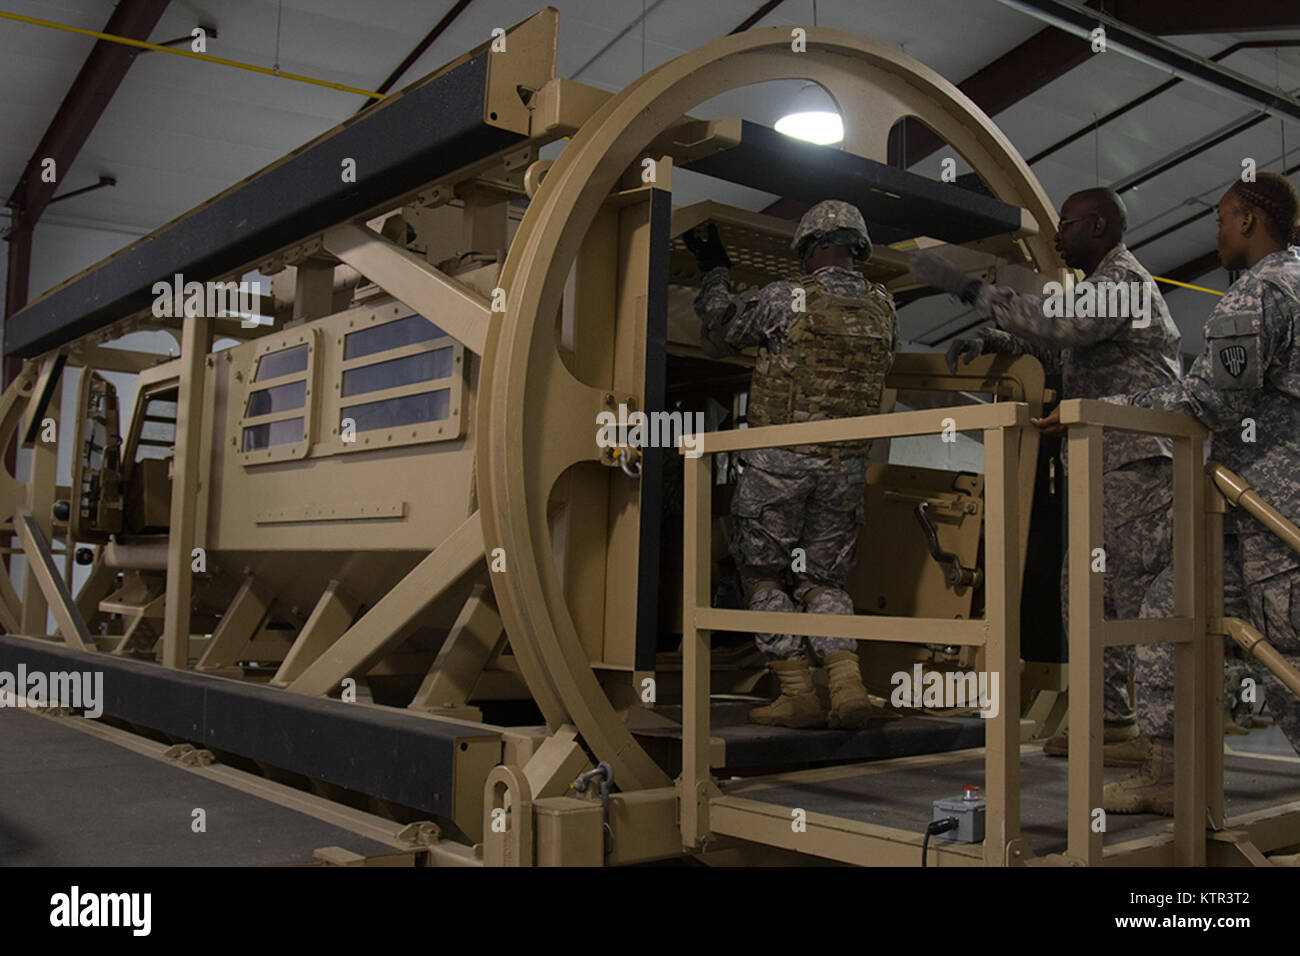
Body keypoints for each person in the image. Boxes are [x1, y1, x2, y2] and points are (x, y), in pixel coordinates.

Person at [910, 188, 1182, 766]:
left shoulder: (1123, 284)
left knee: (1131, 600)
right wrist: (994, 340)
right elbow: (1062, 356)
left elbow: (1061, 331)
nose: (1058, 235)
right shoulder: (1096, 291)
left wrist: (969, 288)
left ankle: (1163, 743)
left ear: (1100, 225)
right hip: (1102, 465)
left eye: (1068, 223)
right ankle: (1111, 722)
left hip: (1137, 465)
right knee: (1085, 592)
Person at [1058, 172, 1300, 815]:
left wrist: (1107, 407)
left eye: (1223, 219)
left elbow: (1212, 399)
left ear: (1249, 221)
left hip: (1274, 514)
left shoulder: (1262, 292)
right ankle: (1168, 774)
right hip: (1247, 513)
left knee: (1289, 665)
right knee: (1169, 614)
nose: (1216, 232)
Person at [686, 200, 896, 729]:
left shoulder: (787, 296)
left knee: (762, 575)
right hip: (845, 467)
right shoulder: (883, 304)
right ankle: (848, 689)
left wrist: (715, 271)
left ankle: (798, 693)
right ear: (858, 248)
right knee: (824, 581)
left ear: (809, 248)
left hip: (779, 466)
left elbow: (722, 325)